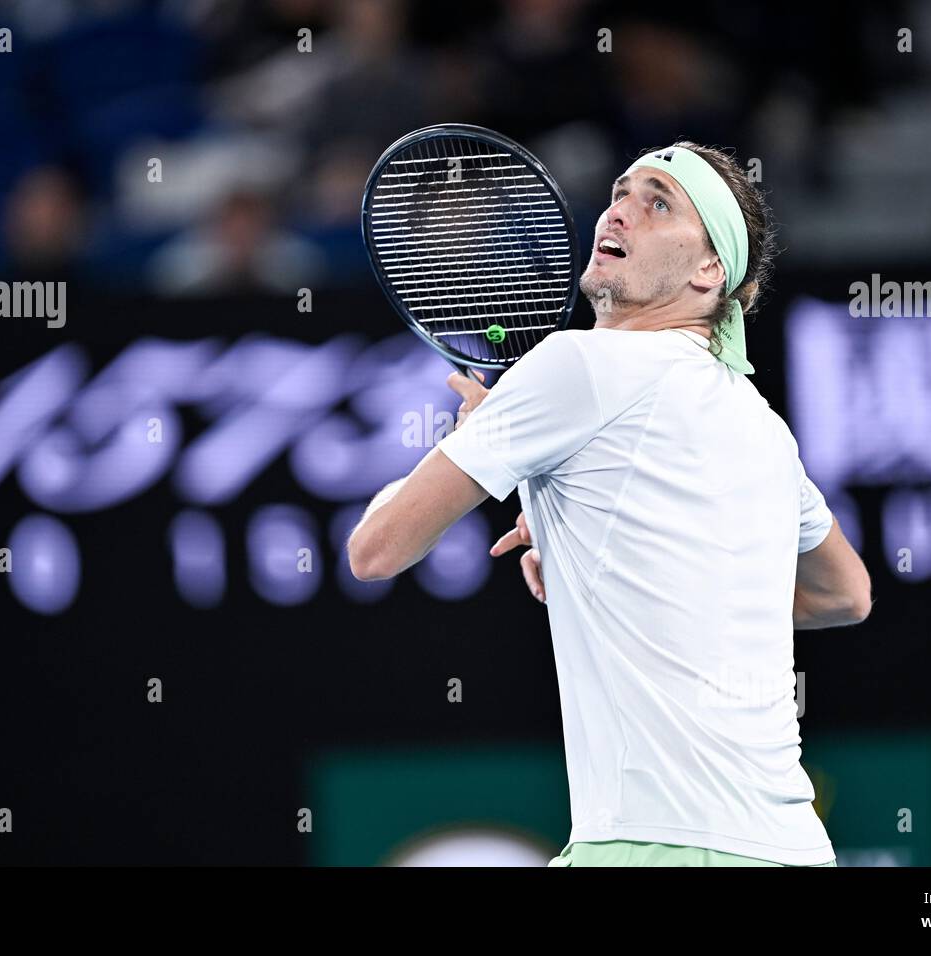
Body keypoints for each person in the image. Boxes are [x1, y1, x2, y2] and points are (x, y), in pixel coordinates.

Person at [347, 142, 872, 867]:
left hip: (653, 850)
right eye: (622, 191)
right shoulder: (762, 425)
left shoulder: (575, 365)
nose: (620, 209)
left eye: (659, 202)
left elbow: (376, 550)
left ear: (709, 269)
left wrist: (466, 440)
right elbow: (847, 593)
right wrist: (613, 566)